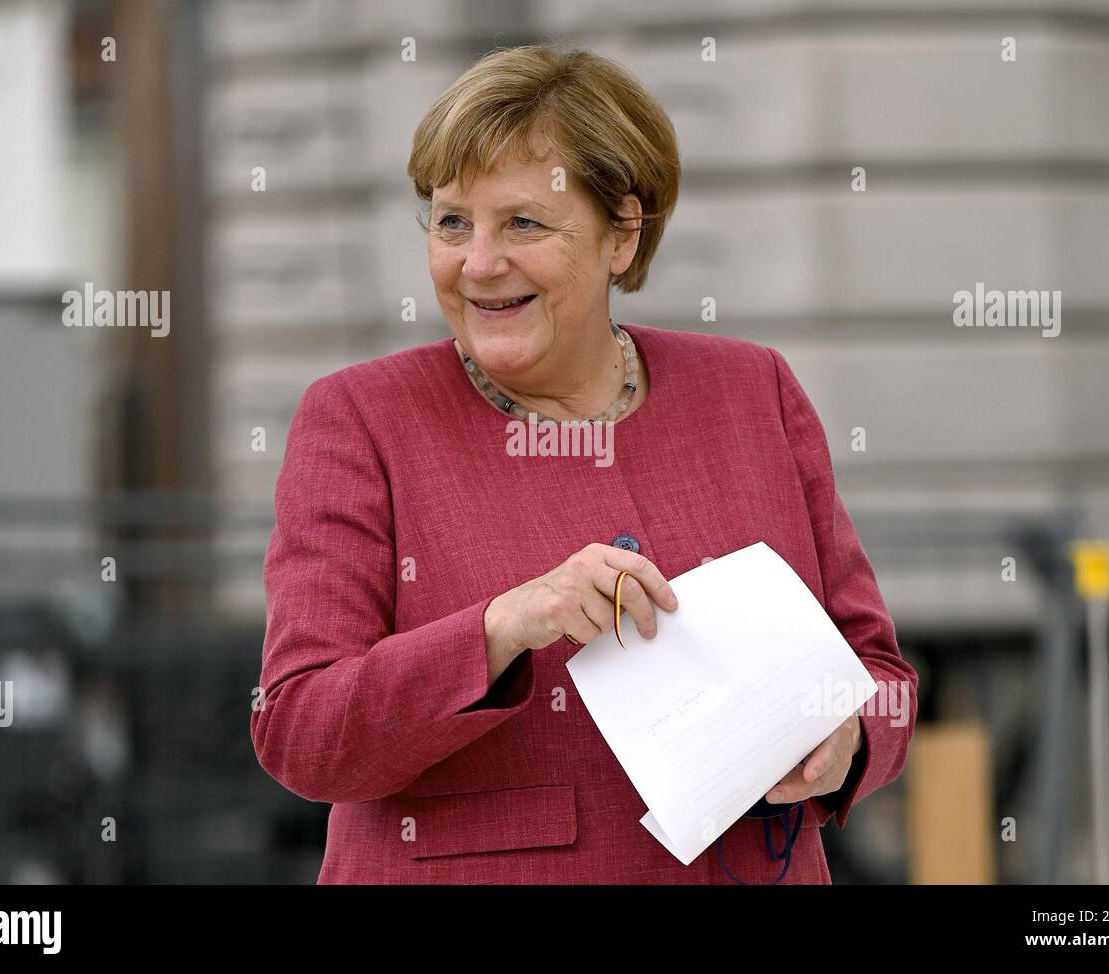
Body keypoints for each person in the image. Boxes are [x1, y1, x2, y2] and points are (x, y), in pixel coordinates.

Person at [252, 44, 917, 884]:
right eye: (453, 221)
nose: (478, 263)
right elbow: (300, 734)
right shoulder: (360, 420)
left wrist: (848, 739)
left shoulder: (755, 391)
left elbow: (881, 677)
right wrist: (501, 628)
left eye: (522, 223)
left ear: (621, 233)